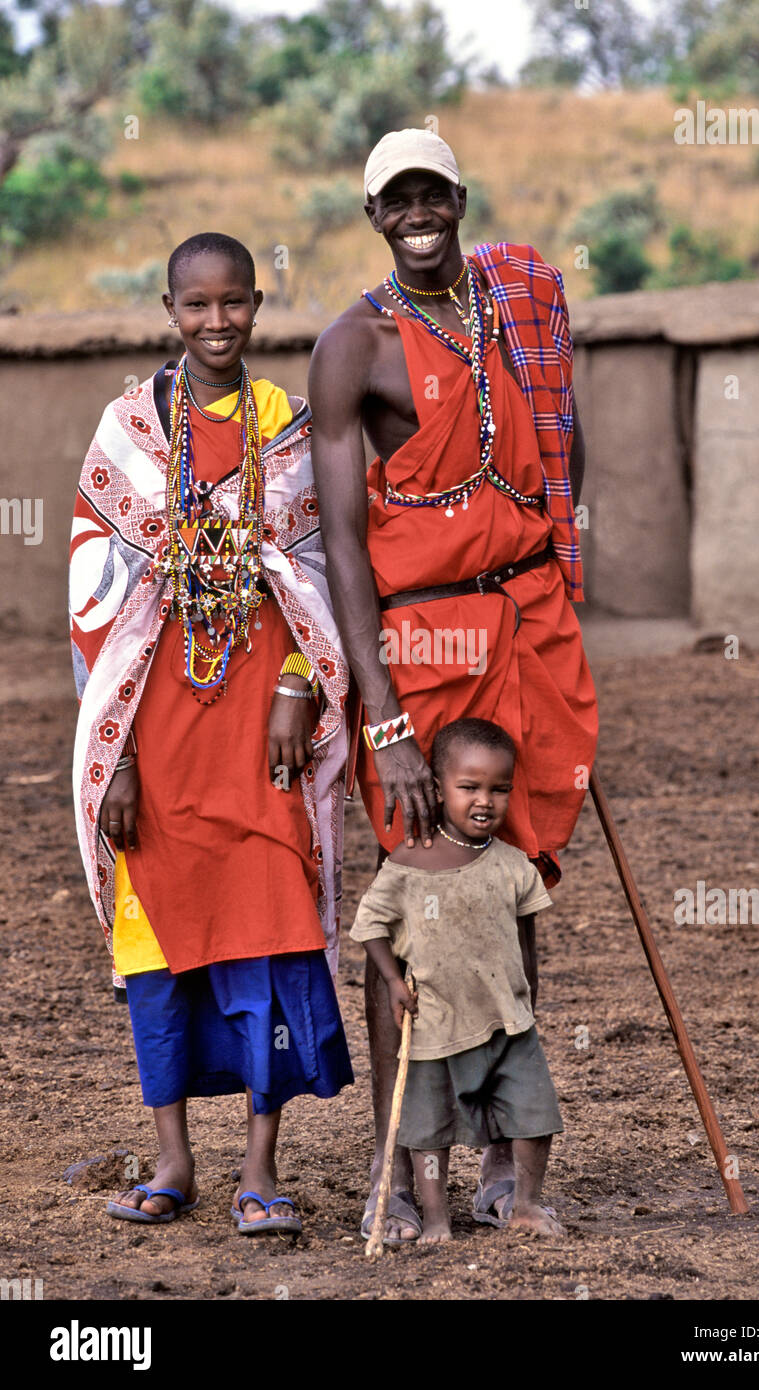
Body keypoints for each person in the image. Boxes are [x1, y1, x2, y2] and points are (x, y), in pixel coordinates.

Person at [309, 128, 598, 1241]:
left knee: (510, 890)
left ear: (458, 199)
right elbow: (342, 544)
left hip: (527, 626)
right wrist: (381, 718)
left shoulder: (516, 311)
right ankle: (406, 1169)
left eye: (433, 194)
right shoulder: (353, 345)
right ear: (375, 215)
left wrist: (559, 605)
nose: (417, 213)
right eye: (397, 200)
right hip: (422, 648)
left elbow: (568, 454)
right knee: (423, 899)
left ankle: (501, 1172)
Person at [70, 232, 353, 1234]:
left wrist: (295, 687)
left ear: (257, 306)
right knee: (160, 947)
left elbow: (315, 570)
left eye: (234, 303)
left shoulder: (285, 424)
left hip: (258, 736)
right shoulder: (128, 432)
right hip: (158, 735)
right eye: (197, 305)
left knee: (270, 931)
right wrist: (118, 761)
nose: (217, 322)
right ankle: (172, 1158)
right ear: (167, 309)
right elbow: (96, 603)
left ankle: (260, 1168)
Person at [351, 717, 564, 1243]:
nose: (484, 801)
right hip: (434, 1027)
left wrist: (525, 1005)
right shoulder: (407, 865)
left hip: (507, 1025)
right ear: (438, 788)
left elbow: (525, 942)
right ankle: (437, 1218)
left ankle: (526, 1203)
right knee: (427, 1131)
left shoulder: (515, 866)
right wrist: (393, 980)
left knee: (535, 1116)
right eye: (469, 787)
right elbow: (371, 924)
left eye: (499, 789)